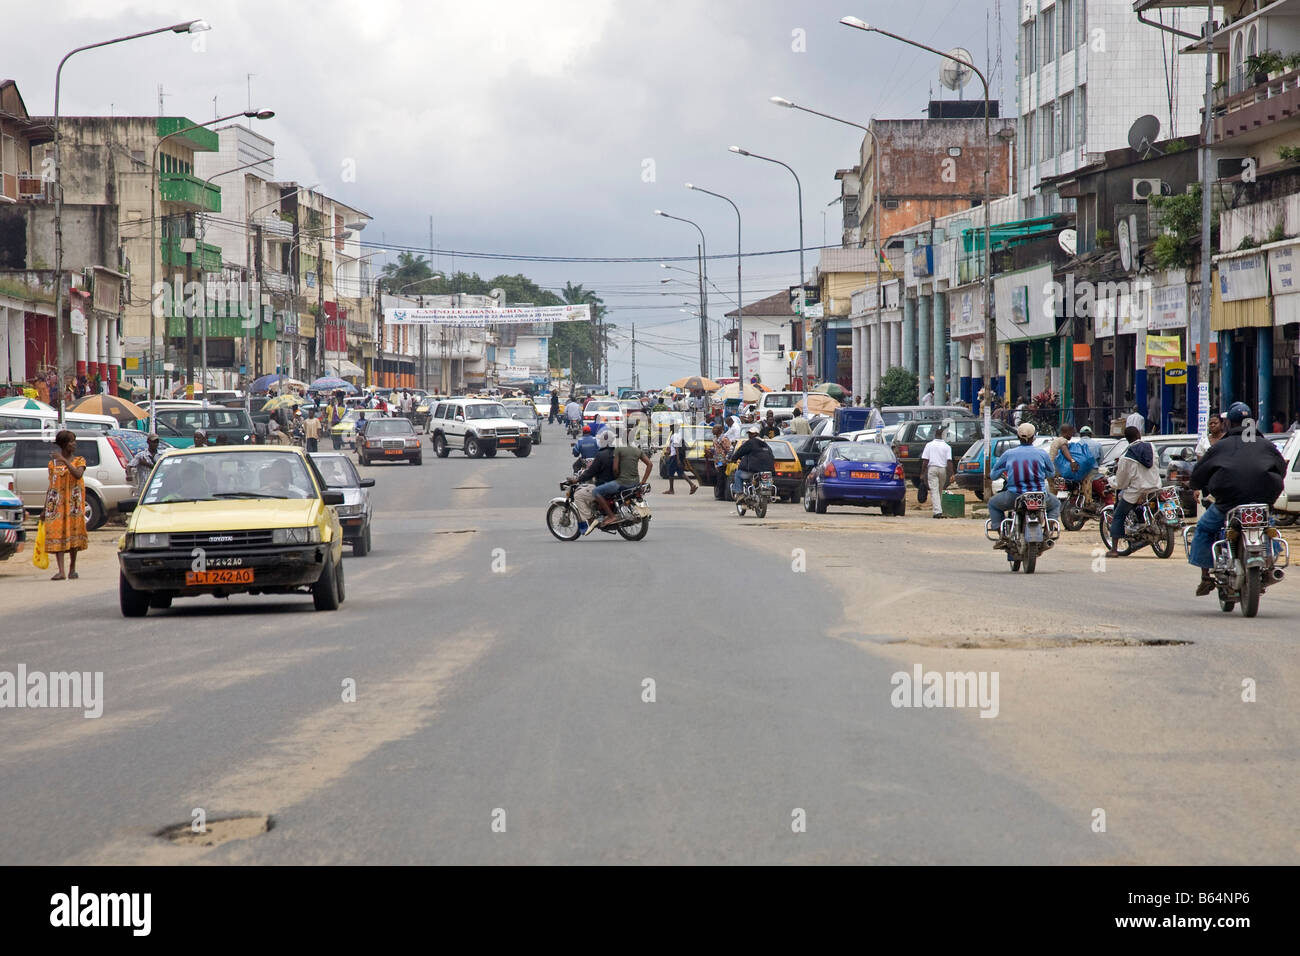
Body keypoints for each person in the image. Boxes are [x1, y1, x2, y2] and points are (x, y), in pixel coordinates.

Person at [1187, 402, 1287, 596]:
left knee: (1204, 529)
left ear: (1228, 423)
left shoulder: (1221, 446)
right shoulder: (1266, 444)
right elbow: (1281, 468)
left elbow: (1199, 474)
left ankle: (1206, 576)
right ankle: (1271, 559)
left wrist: (1195, 484)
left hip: (1228, 504)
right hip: (1262, 503)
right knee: (1268, 527)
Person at [988, 422, 1061, 550]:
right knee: (1055, 504)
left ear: (1018, 437)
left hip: (1014, 496)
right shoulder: (1042, 454)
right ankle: (1048, 532)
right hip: (1038, 496)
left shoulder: (1009, 454)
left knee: (993, 504)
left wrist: (1002, 472)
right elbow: (1051, 472)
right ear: (1034, 437)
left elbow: (993, 475)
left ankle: (1002, 536)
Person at [1105, 426, 1161, 557]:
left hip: (1137, 491)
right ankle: (1142, 522)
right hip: (1155, 487)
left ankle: (1114, 550)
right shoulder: (1152, 448)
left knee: (1118, 515)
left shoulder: (1126, 458)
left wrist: (1111, 481)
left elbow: (1121, 483)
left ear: (1126, 439)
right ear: (1139, 435)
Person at [44, 430, 88, 581]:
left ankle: (72, 568)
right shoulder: (52, 464)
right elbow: (51, 486)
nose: (74, 443)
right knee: (58, 535)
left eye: (74, 441)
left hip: (73, 506)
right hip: (56, 507)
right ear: (63, 444)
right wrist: (45, 508)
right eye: (71, 441)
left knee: (73, 537)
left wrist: (63, 459)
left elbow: (77, 474)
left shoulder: (79, 461)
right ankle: (61, 571)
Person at [570, 427, 620, 532]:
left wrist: (577, 480)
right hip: (618, 484)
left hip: (603, 486)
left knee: (578, 495)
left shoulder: (600, 455)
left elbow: (590, 472)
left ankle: (591, 520)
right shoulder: (617, 452)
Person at [729, 424, 774, 500]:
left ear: (756, 434)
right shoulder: (766, 444)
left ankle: (740, 494)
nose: (749, 435)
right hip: (767, 470)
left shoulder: (751, 442)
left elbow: (740, 451)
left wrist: (733, 458)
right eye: (749, 433)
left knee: (738, 474)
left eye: (751, 434)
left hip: (753, 470)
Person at [921, 424, 955, 518]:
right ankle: (938, 510)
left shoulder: (929, 445)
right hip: (942, 469)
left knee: (934, 490)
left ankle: (937, 511)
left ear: (934, 435)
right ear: (943, 436)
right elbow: (949, 461)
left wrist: (922, 473)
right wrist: (951, 473)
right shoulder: (947, 447)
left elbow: (925, 461)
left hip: (932, 469)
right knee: (939, 490)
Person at [663, 423, 698, 495]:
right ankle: (692, 485)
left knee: (671, 473)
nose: (670, 429)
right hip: (675, 456)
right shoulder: (675, 436)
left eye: (671, 427)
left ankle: (671, 489)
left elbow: (677, 448)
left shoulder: (675, 436)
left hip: (675, 457)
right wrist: (668, 452)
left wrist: (678, 459)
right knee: (680, 472)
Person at [1076, 425, 1103, 501]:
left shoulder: (1077, 444)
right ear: (1090, 435)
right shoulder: (1097, 444)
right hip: (1093, 471)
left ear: (1080, 435)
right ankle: (1088, 502)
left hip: (1079, 471)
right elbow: (1101, 460)